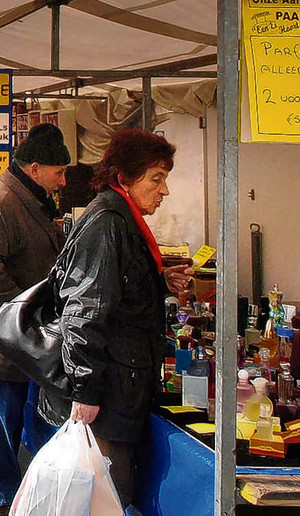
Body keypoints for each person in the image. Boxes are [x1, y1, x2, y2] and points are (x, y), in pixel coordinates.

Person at [37, 129, 193, 510]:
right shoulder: (108, 222)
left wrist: (158, 283)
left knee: (109, 496)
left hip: (120, 386)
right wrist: (85, 390)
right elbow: (85, 311)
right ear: (125, 177)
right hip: (107, 395)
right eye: (156, 178)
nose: (164, 190)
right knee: (105, 496)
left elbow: (114, 290)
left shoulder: (120, 218)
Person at [0, 123, 71, 512]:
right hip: (0, 336)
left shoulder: (27, 197)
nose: (62, 181)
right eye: (59, 172)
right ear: (35, 168)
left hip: (15, 335)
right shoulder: (1, 202)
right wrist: (22, 311)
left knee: (7, 420)